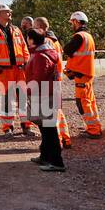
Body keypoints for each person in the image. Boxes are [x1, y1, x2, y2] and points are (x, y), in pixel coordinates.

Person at [0, 5, 32, 135]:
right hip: (4, 71)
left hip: (19, 70)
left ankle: (26, 125)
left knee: (22, 98)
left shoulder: (16, 29)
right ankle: (7, 127)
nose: (10, 12)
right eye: (7, 11)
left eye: (9, 11)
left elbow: (24, 47)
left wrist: (26, 63)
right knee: (7, 100)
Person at [24, 27, 66, 172]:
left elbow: (38, 78)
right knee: (45, 128)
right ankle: (45, 156)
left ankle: (56, 162)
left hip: (44, 95)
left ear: (32, 39)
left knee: (49, 129)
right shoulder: (43, 53)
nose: (27, 40)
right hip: (45, 94)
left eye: (28, 37)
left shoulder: (41, 56)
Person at [32, 17, 72, 149]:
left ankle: (58, 141)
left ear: (39, 27)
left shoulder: (46, 41)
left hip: (49, 81)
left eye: (34, 26)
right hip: (55, 80)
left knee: (50, 114)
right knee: (56, 111)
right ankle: (64, 138)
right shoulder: (55, 41)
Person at [65, 11, 103, 137]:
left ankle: (93, 130)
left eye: (72, 22)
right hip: (86, 73)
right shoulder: (88, 36)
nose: (72, 25)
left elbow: (67, 49)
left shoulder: (79, 36)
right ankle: (95, 126)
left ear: (76, 21)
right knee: (89, 101)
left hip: (81, 74)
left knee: (83, 102)